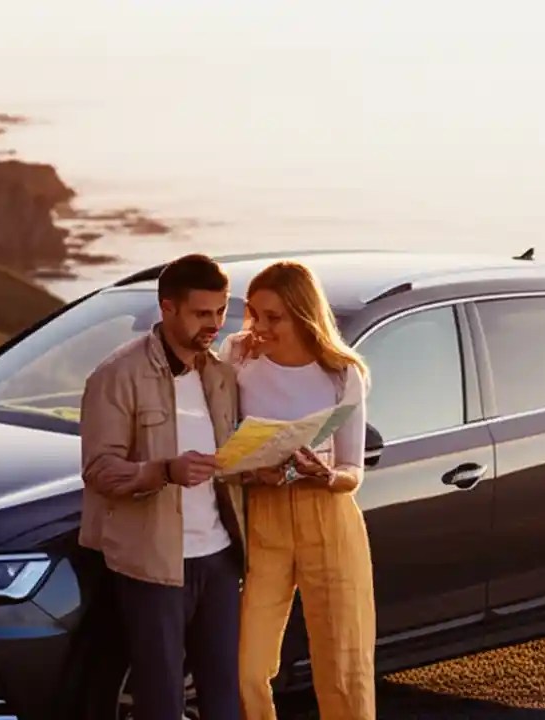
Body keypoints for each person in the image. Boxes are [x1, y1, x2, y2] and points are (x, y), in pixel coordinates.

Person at [78, 253, 246, 720]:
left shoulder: (221, 375)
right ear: (167, 308)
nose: (213, 324)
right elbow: (99, 470)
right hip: (153, 565)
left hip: (218, 558)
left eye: (220, 311)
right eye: (201, 313)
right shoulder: (116, 376)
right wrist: (164, 471)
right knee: (161, 700)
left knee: (224, 697)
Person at [217, 259, 376, 720]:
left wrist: (325, 476)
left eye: (273, 317)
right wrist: (248, 470)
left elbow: (352, 470)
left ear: (304, 315)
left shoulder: (341, 374)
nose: (259, 327)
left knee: (342, 669)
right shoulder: (239, 356)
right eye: (254, 314)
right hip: (262, 518)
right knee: (246, 668)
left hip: (328, 516)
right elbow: (221, 441)